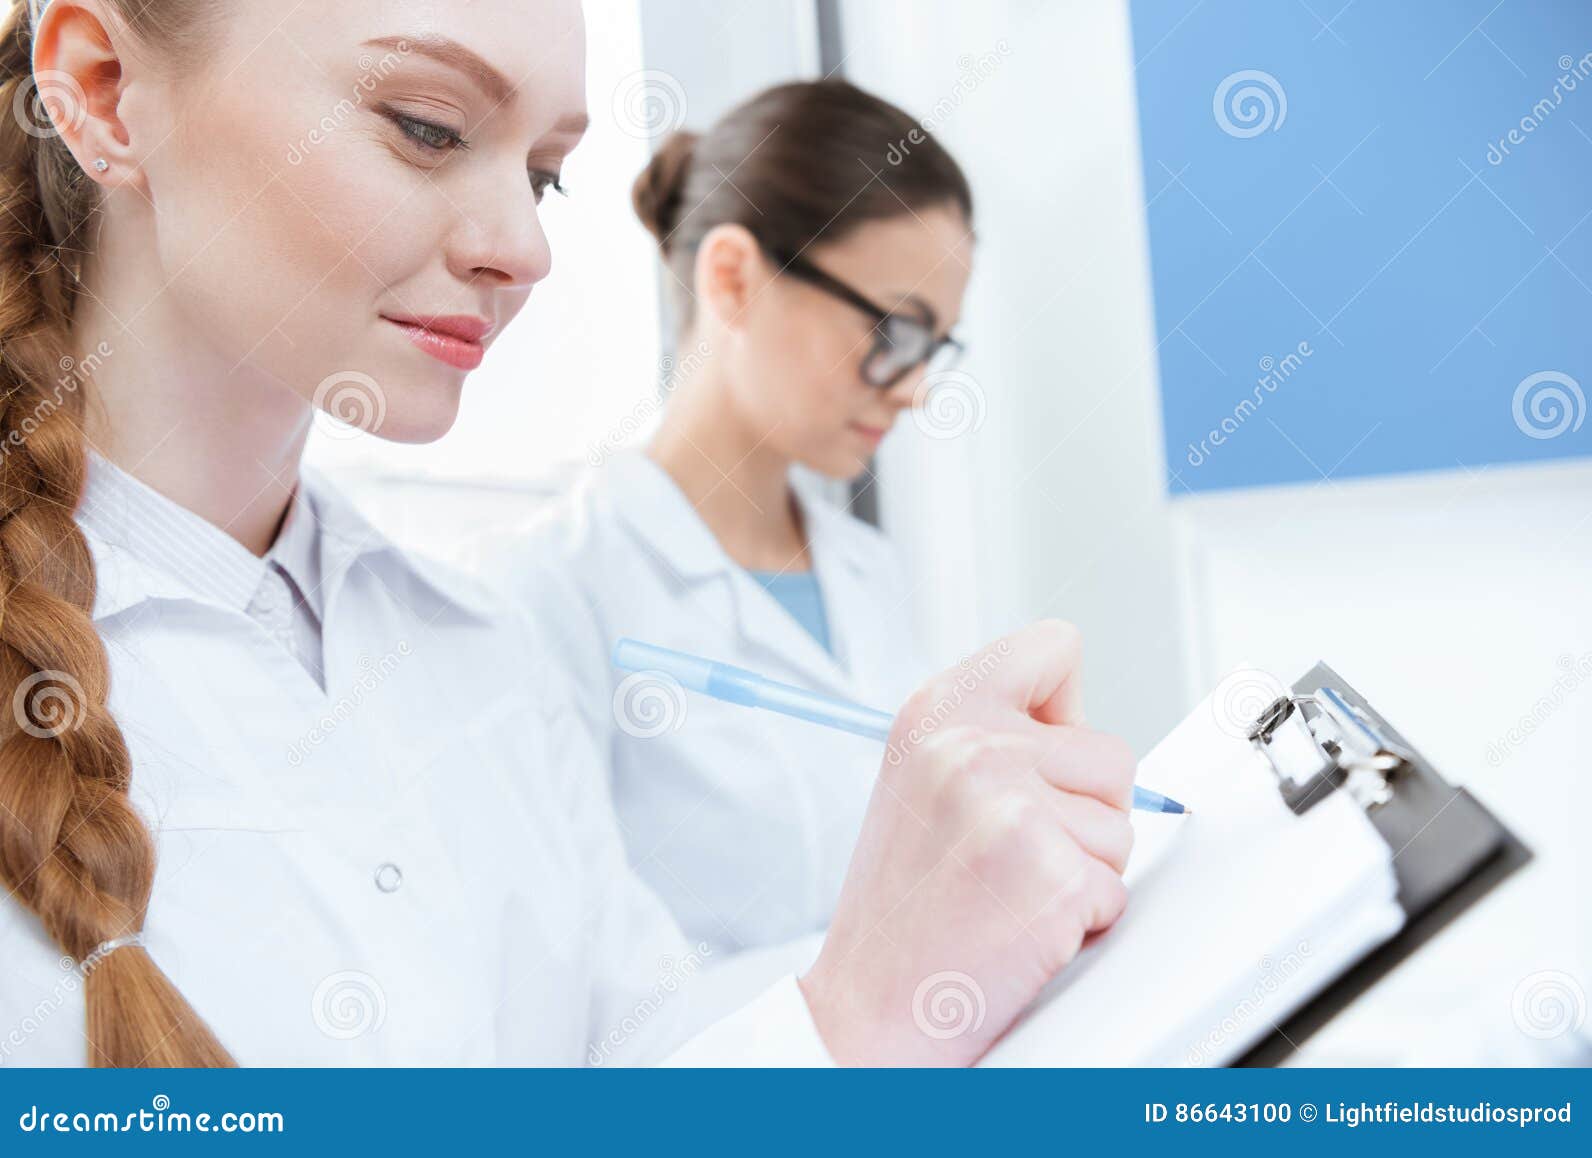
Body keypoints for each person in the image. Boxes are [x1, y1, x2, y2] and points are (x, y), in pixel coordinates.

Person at [0, 0, 1135, 1068]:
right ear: (101, 91)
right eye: (428, 128)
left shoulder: (475, 656)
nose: (524, 251)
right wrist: (862, 1007)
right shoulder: (548, 589)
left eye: (543, 177)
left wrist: (930, 957)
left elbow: (640, 1054)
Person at [471, 80, 971, 954]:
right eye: (895, 334)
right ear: (734, 278)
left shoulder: (867, 572)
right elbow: (568, 992)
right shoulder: (547, 588)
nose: (919, 387)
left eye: (936, 348)